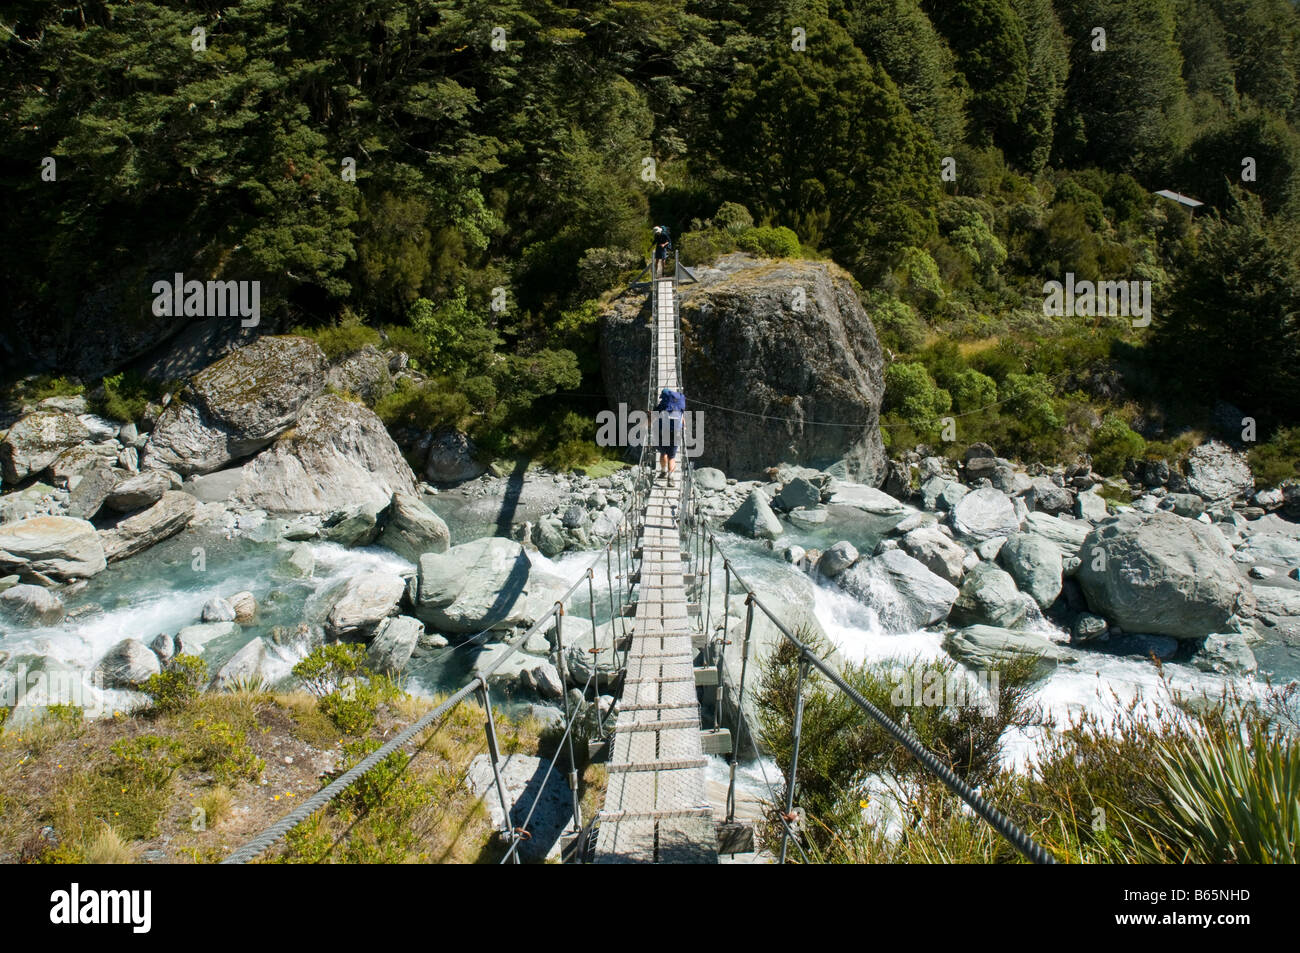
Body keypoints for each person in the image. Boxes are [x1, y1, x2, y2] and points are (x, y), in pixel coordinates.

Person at [653, 387, 685, 484]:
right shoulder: (679, 405)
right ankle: (671, 477)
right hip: (676, 433)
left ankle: (663, 472)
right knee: (672, 457)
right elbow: (682, 419)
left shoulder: (662, 405)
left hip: (663, 433)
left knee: (663, 453)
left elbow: (653, 415)